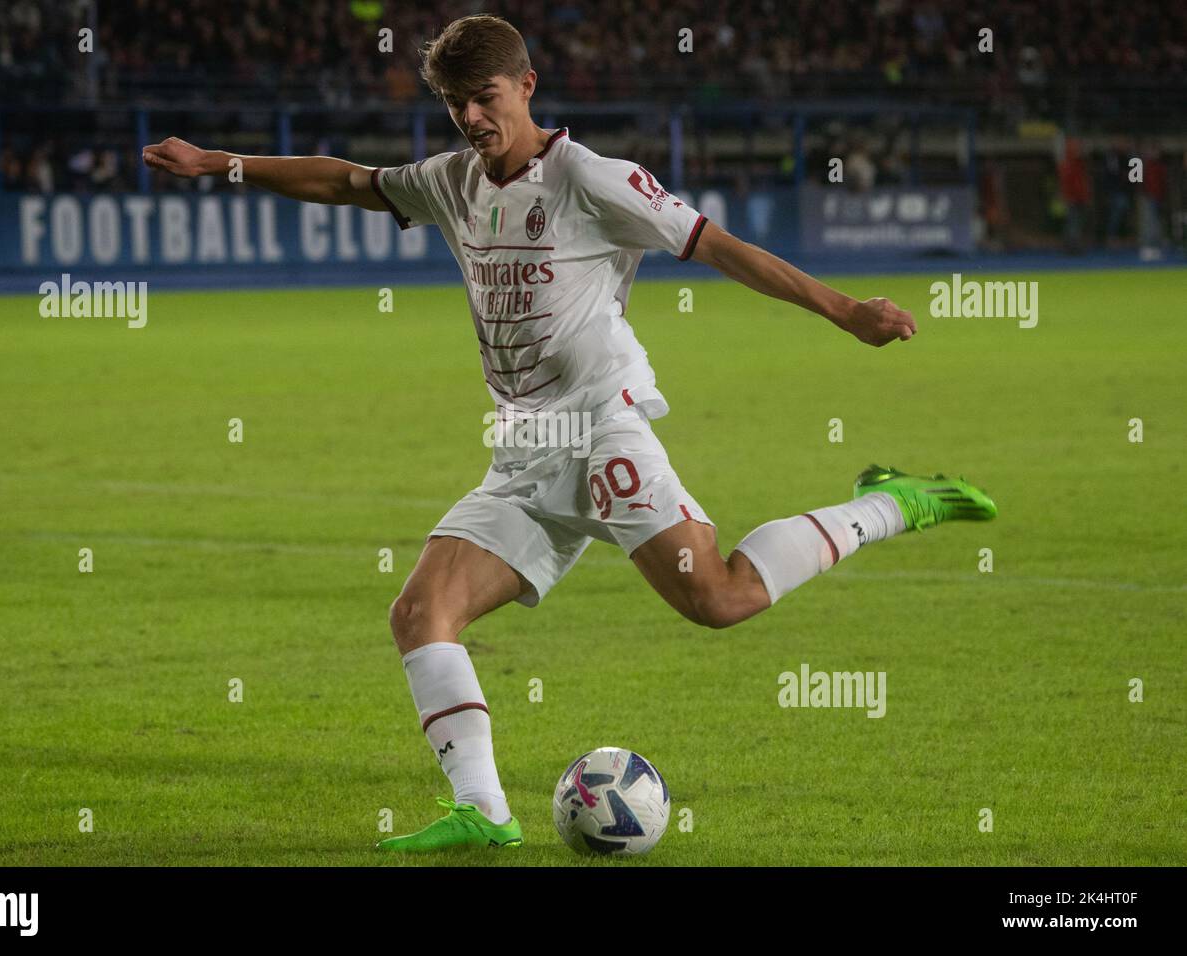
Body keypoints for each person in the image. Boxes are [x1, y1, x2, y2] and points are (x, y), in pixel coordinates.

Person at [142, 14, 997, 853]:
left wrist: (847, 311)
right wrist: (222, 163)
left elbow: (717, 247)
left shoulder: (591, 177)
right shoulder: (453, 181)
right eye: (454, 106)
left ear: (526, 85)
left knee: (721, 597)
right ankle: (484, 811)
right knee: (419, 612)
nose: (472, 120)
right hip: (523, 451)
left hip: (604, 435)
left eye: (483, 98)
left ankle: (888, 504)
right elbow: (348, 182)